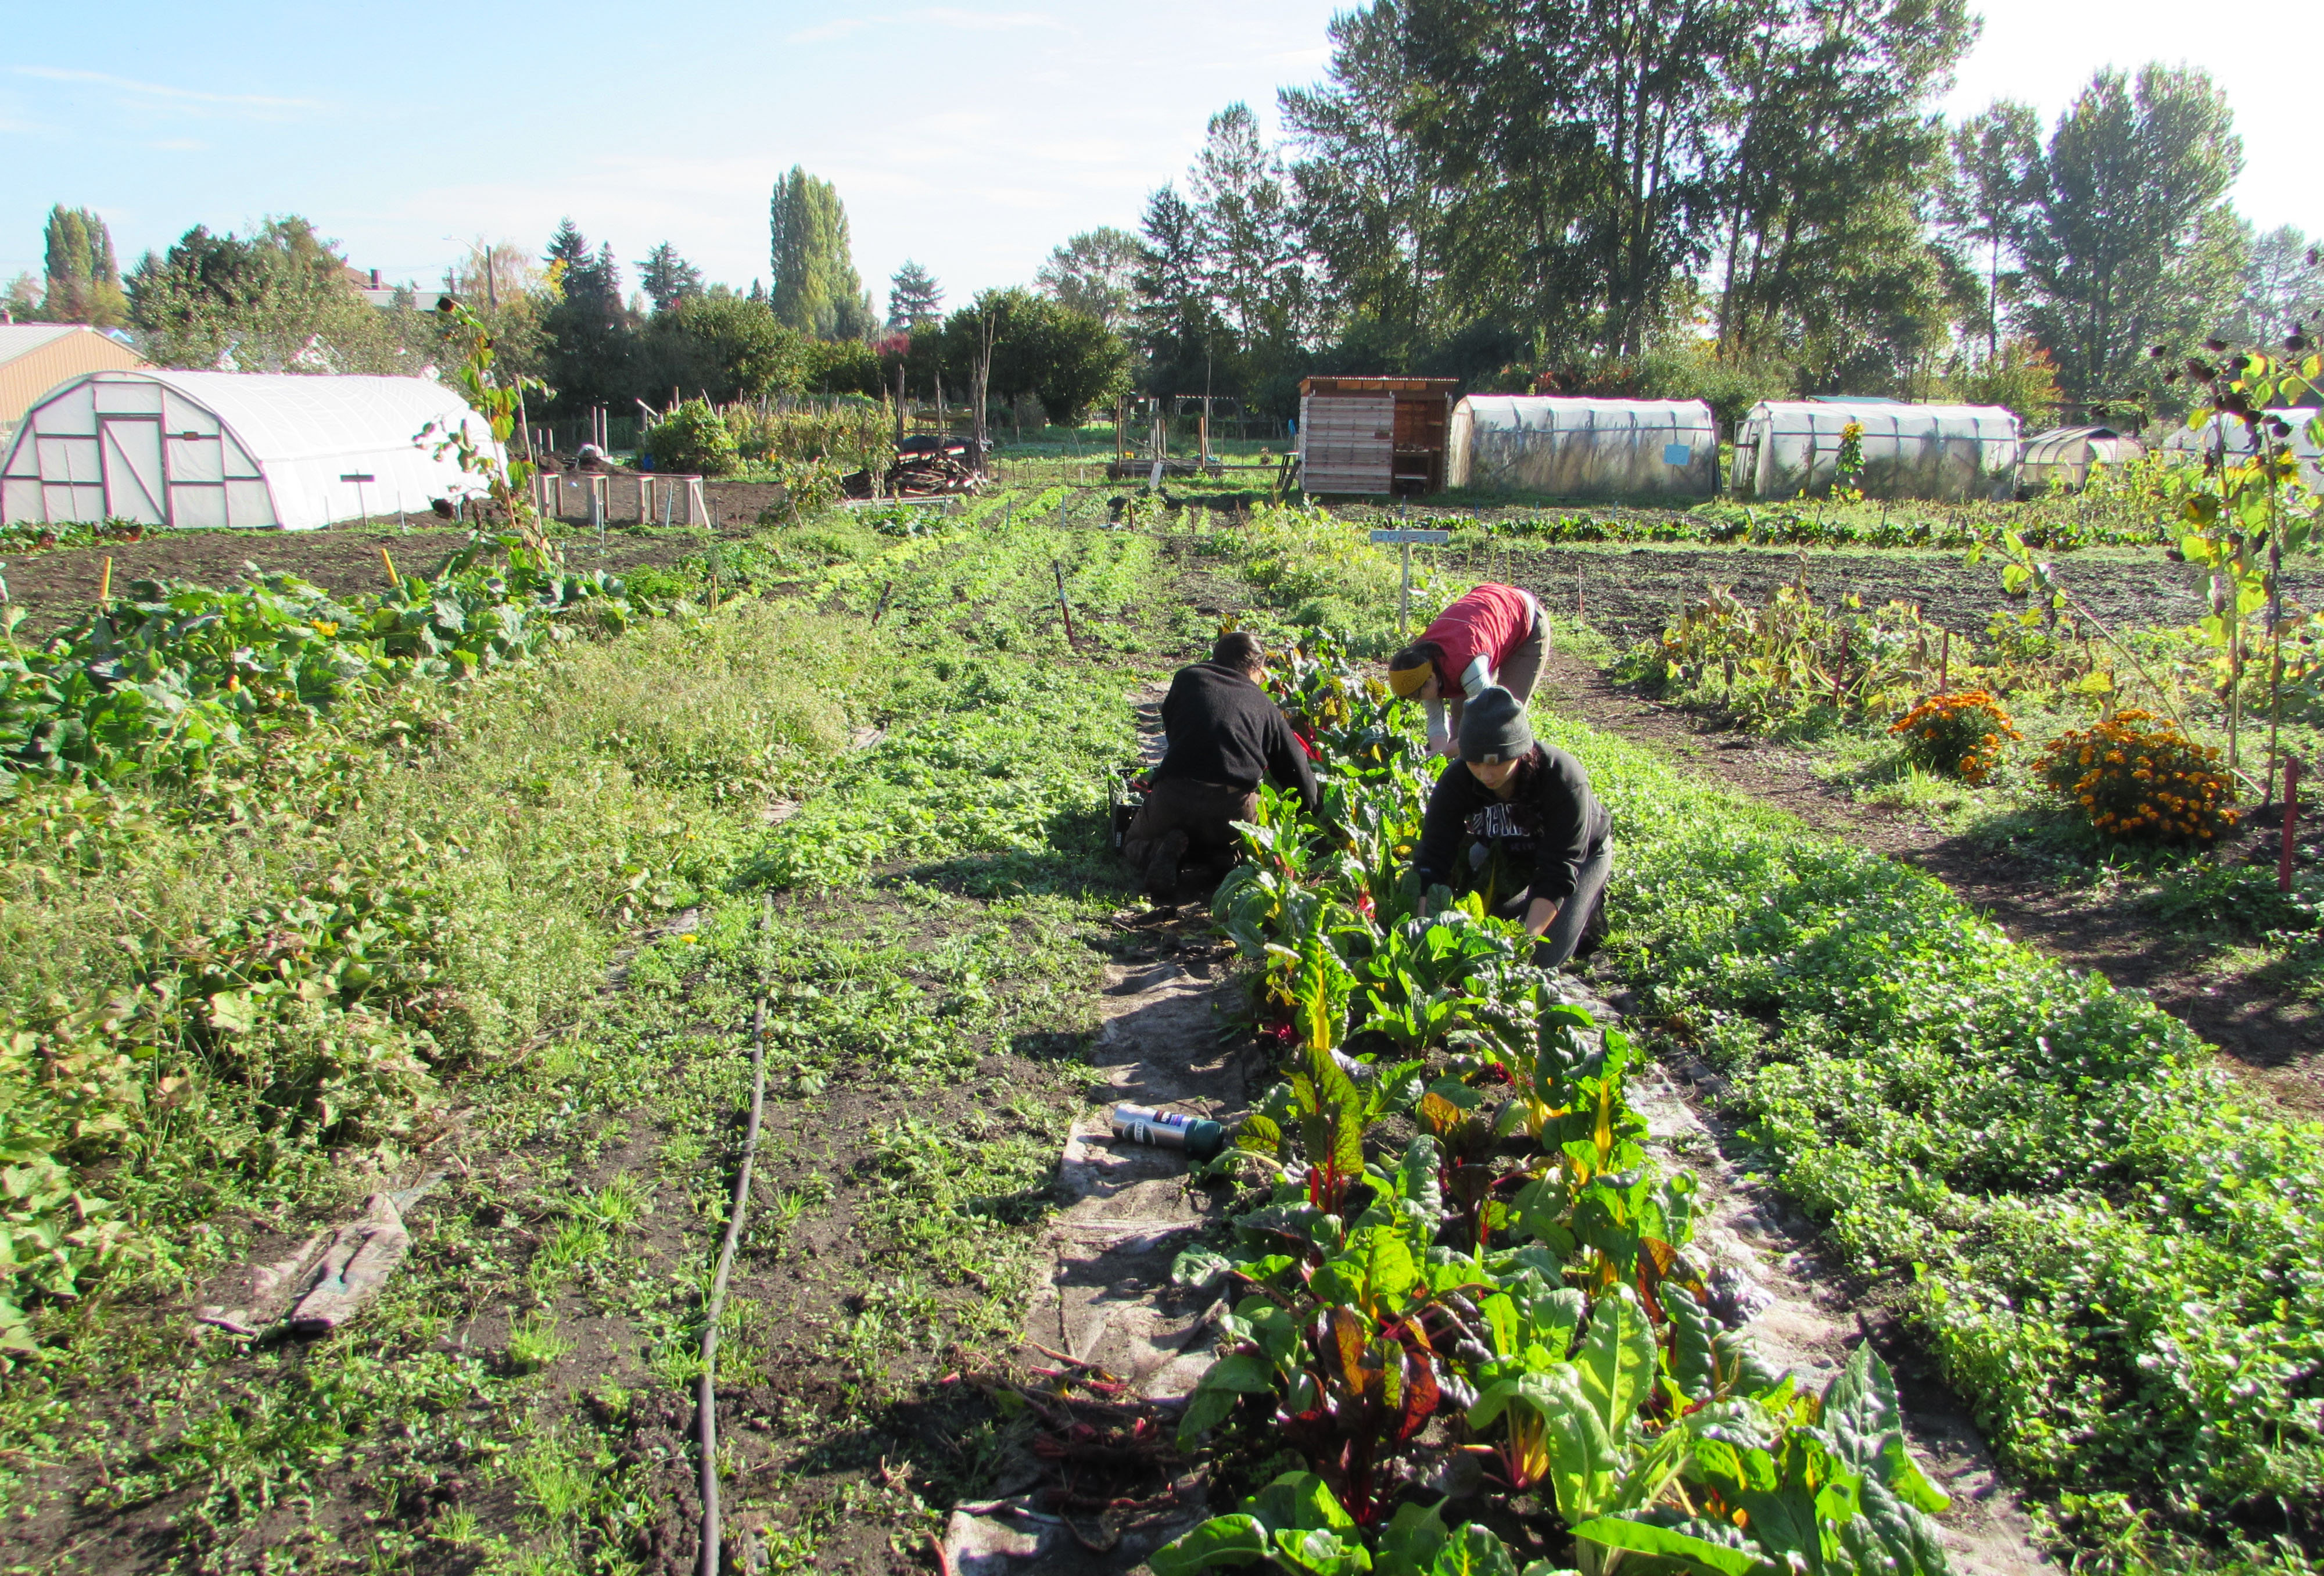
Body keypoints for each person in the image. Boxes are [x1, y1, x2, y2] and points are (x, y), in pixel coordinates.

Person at [1411, 686, 1611, 969]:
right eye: (1475, 763)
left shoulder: (1563, 779)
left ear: (1520, 752)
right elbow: (1434, 856)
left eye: (1497, 763)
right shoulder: (1456, 781)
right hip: (1506, 852)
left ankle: (1586, 904)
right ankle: (1524, 901)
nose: (1485, 774)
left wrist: (1522, 946)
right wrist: (1423, 933)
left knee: (1539, 959)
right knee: (1479, 926)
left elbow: (1559, 869)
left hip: (1580, 858)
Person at [1124, 631, 1319, 901]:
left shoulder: (1187, 678)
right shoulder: (1263, 704)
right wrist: (1311, 818)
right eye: (1262, 673)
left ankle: (1158, 851)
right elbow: (1298, 774)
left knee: (1131, 841)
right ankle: (1224, 857)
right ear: (1254, 669)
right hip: (1231, 806)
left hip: (1174, 794)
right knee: (1243, 841)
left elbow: (1175, 732)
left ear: (1216, 658)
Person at [1385, 582, 1548, 757]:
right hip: (1482, 625)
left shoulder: (1469, 668)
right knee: (1462, 722)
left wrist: (1443, 754)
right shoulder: (1419, 663)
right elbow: (1436, 719)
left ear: (1432, 678)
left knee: (1505, 721)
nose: (1417, 702)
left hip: (1522, 616)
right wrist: (1437, 755)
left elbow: (1490, 724)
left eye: (1417, 697)